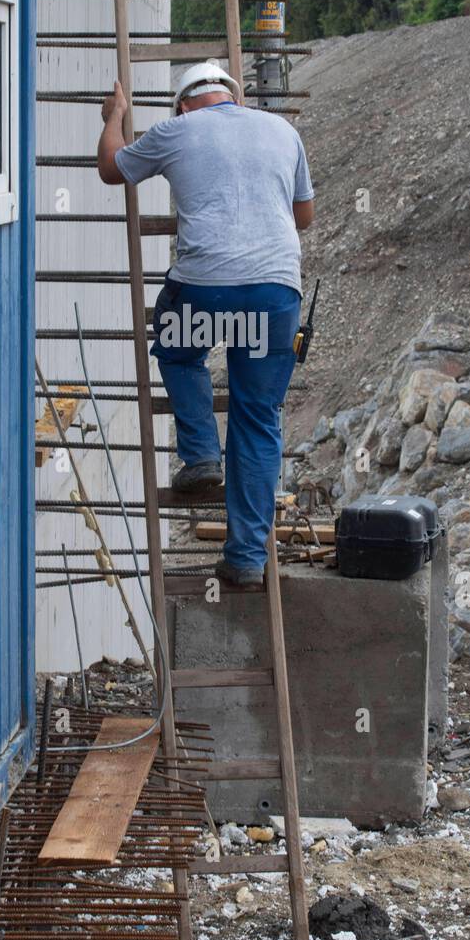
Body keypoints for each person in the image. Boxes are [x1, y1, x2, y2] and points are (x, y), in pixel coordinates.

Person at [97, 63, 314, 588]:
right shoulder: (283, 131)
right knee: (258, 417)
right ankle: (244, 560)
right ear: (232, 97)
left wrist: (114, 117)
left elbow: (110, 168)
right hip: (274, 292)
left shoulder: (174, 131)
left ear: (183, 104)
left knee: (177, 349)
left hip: (205, 289)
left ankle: (199, 456)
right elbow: (303, 217)